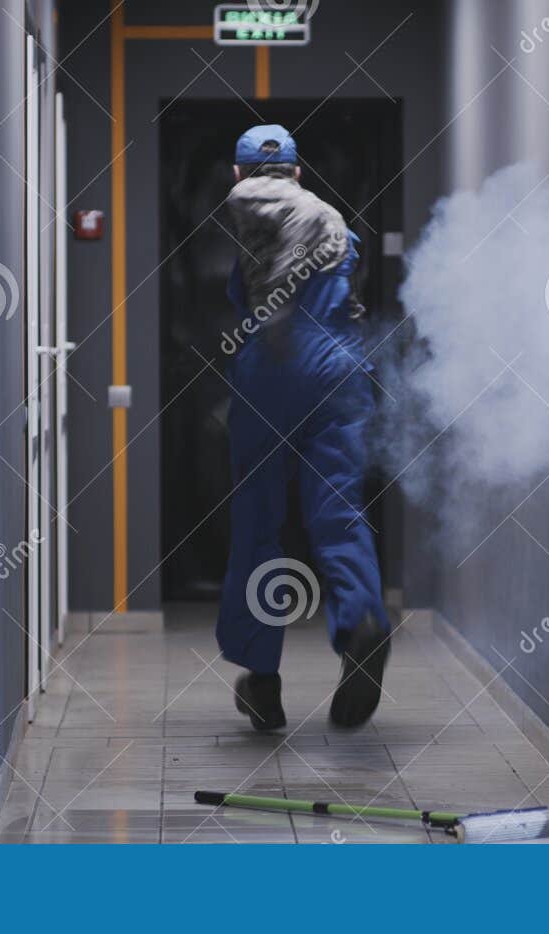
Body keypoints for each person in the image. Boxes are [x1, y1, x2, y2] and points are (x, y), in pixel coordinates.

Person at [216, 124, 391, 732]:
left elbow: (251, 295)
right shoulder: (333, 220)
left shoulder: (241, 211)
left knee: (259, 525)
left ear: (239, 173)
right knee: (339, 511)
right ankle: (363, 622)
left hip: (272, 367)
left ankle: (262, 678)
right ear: (298, 171)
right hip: (339, 369)